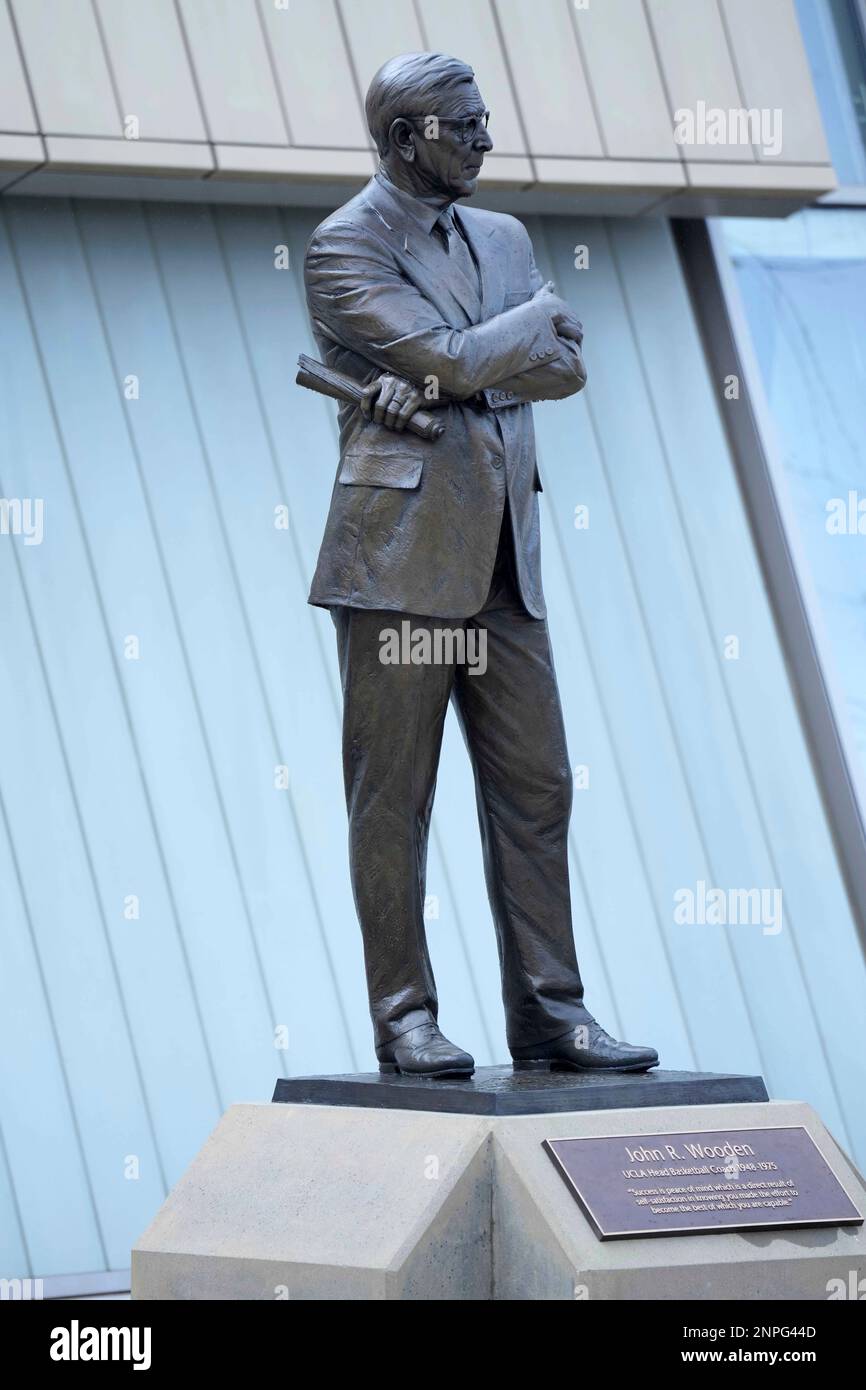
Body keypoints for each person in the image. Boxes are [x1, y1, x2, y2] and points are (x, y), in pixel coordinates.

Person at [303, 51, 658, 1079]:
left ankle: (551, 1014)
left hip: (505, 561)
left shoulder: (502, 236)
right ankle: (404, 1016)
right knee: (393, 801)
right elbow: (460, 360)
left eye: (483, 120)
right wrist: (502, 339)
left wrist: (454, 367)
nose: (485, 140)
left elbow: (562, 369)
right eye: (464, 127)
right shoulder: (342, 244)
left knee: (537, 788)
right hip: (399, 567)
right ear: (405, 136)